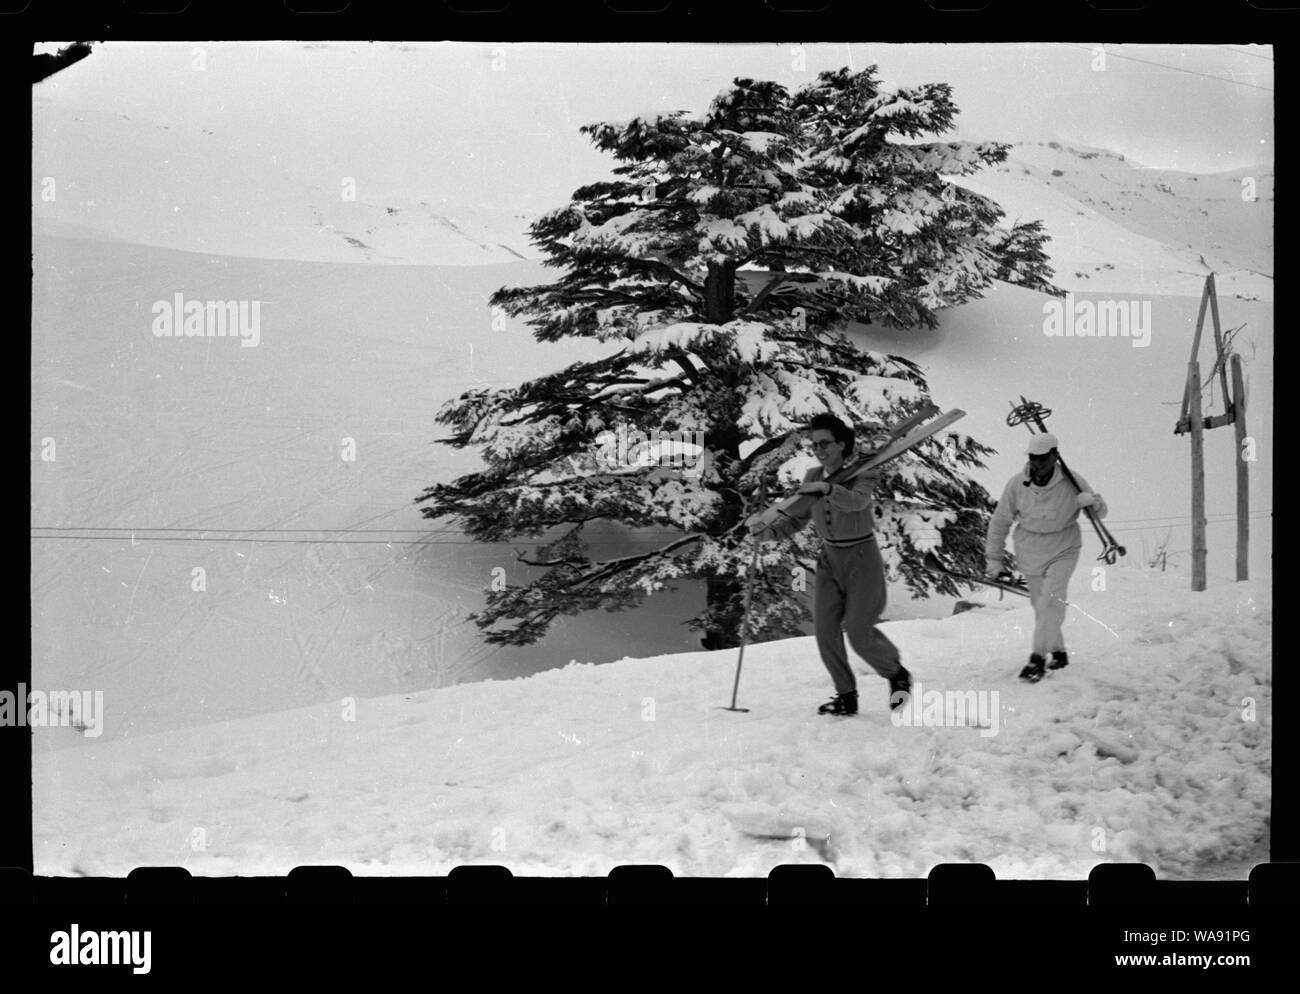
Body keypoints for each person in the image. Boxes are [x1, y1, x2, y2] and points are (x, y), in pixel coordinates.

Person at [746, 413, 912, 716]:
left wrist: (828, 489)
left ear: (841, 444)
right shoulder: (812, 476)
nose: (819, 450)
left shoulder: (865, 471)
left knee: (860, 633)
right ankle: (846, 696)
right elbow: (796, 518)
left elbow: (857, 502)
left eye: (824, 443)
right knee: (825, 632)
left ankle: (896, 674)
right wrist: (767, 533)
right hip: (829, 559)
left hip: (862, 558)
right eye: (815, 445)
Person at [984, 432, 1108, 682]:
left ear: (1054, 456)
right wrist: (994, 561)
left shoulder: (1072, 481)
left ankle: (1037, 658)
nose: (1037, 464)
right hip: (1029, 548)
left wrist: (1092, 503)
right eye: (1033, 458)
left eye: (1043, 458)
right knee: (1041, 606)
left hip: (1064, 546)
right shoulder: (1017, 484)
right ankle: (1059, 652)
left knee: (1049, 602)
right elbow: (1000, 522)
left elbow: (1100, 513)